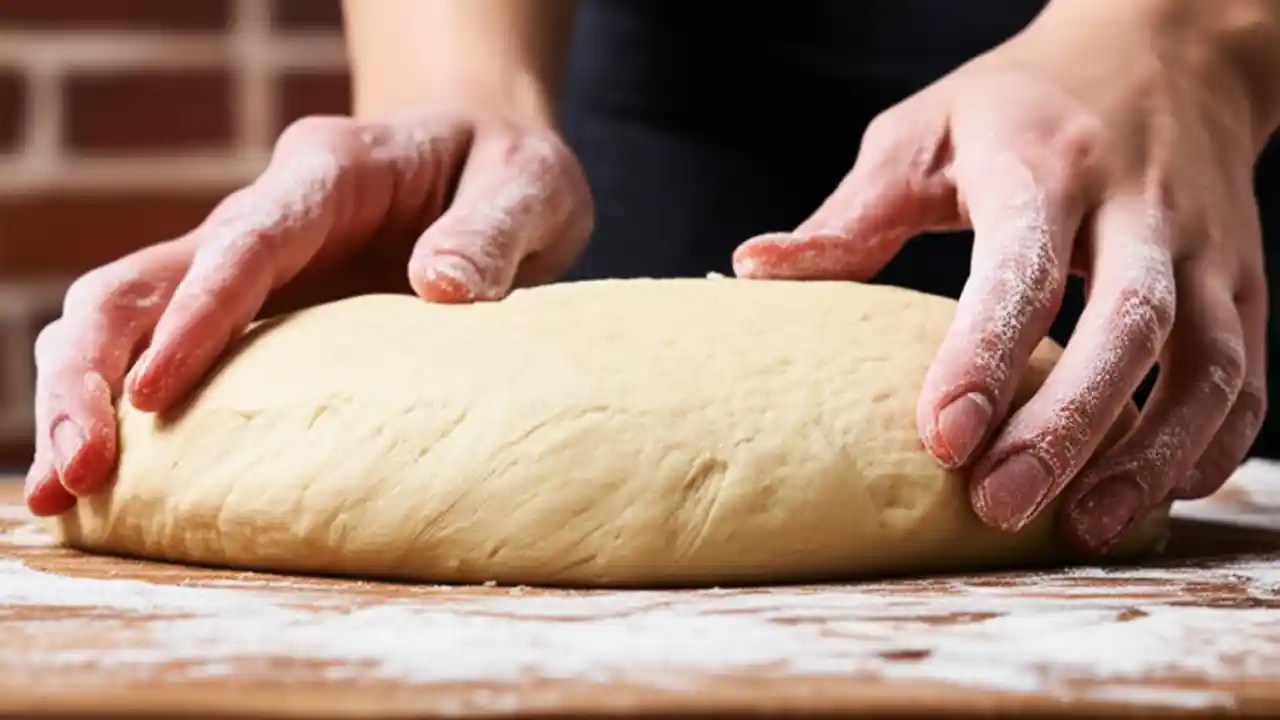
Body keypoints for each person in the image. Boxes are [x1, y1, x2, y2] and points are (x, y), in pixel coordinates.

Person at [25, 0, 1280, 555]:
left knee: (1107, 424)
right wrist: (449, 88)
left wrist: (1190, 36)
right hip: (676, 84)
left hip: (1179, 151)